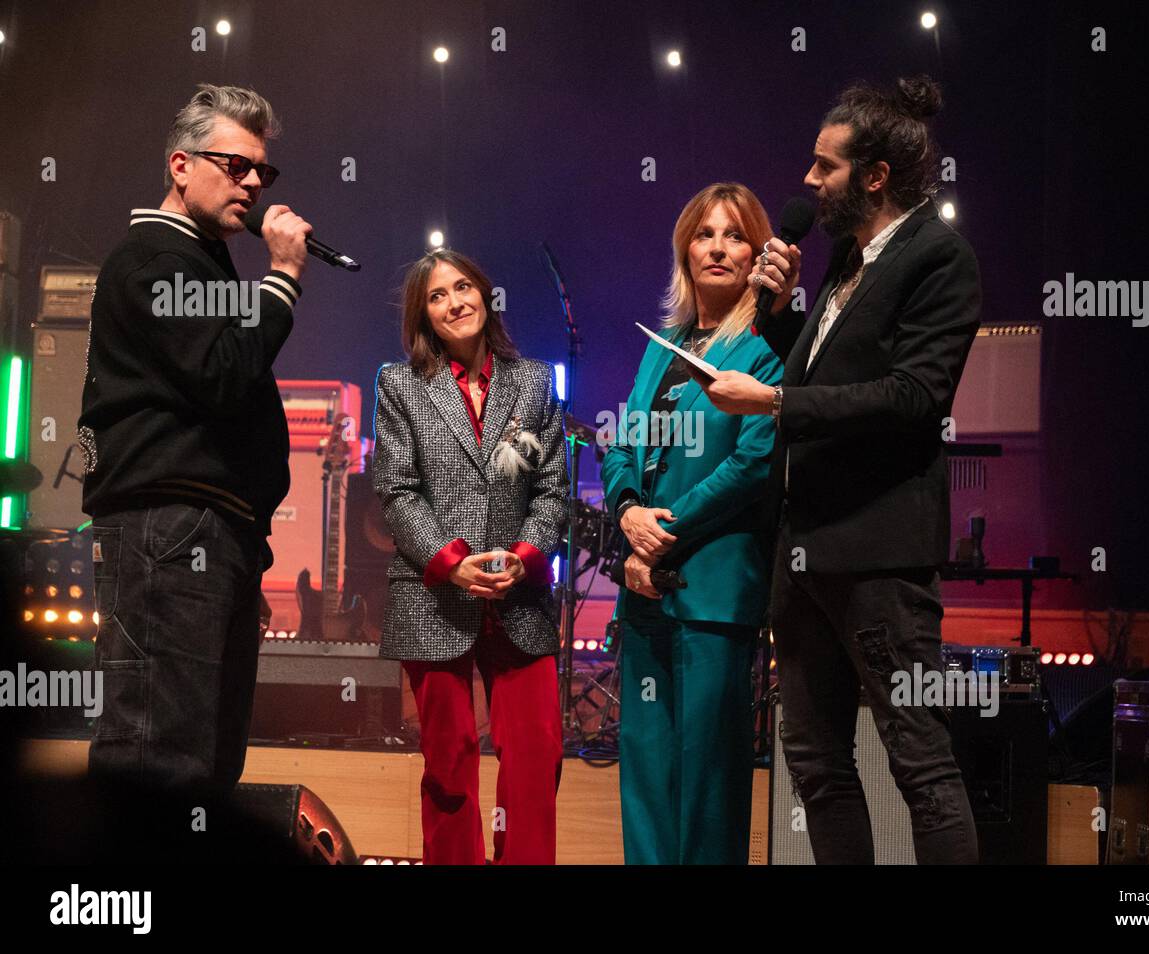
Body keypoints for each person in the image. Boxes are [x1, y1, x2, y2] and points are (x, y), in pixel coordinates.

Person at [702, 76, 982, 864]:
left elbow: (913, 397)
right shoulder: (844, 260)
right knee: (818, 768)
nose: (808, 181)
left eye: (824, 167)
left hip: (878, 557)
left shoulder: (938, 257)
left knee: (921, 765)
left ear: (875, 175)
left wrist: (775, 401)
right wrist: (788, 314)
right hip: (805, 553)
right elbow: (833, 377)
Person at [78, 84, 311, 790]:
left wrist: (241, 543)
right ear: (180, 165)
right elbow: (223, 375)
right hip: (168, 529)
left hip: (206, 535)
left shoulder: (199, 262)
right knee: (159, 754)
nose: (251, 184)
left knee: (203, 761)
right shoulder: (155, 257)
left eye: (261, 172)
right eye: (234, 166)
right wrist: (285, 277)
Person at [602, 183, 783, 864]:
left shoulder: (766, 351)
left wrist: (662, 530)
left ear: (757, 254)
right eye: (704, 234)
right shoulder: (664, 346)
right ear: (686, 250)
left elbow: (753, 465)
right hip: (645, 590)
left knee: (708, 784)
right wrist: (626, 513)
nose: (717, 247)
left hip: (710, 595)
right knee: (646, 780)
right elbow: (622, 443)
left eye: (734, 235)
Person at [372, 249, 568, 865]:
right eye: (437, 296)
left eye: (464, 287)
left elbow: (553, 489)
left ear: (486, 294)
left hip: (521, 598)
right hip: (433, 599)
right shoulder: (398, 384)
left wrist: (524, 556)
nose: (455, 302)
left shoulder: (533, 381)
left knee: (536, 759)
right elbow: (396, 491)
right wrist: (450, 560)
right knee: (450, 761)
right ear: (423, 315)